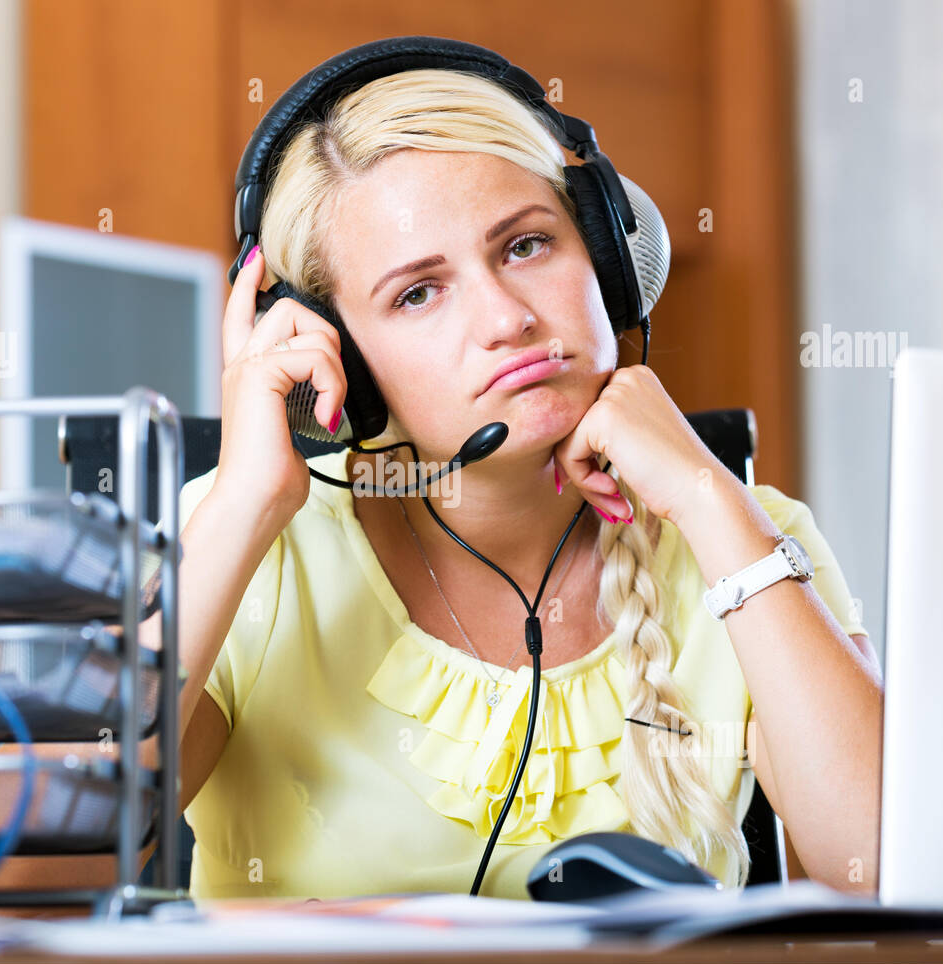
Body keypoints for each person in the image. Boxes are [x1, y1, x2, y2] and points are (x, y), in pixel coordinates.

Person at [175, 67, 883, 902]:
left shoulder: (749, 540)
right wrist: (241, 508)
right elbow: (34, 869)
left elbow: (891, 870)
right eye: (419, 293)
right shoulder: (253, 549)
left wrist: (704, 495)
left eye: (526, 244)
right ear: (344, 362)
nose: (508, 317)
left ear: (610, 257)